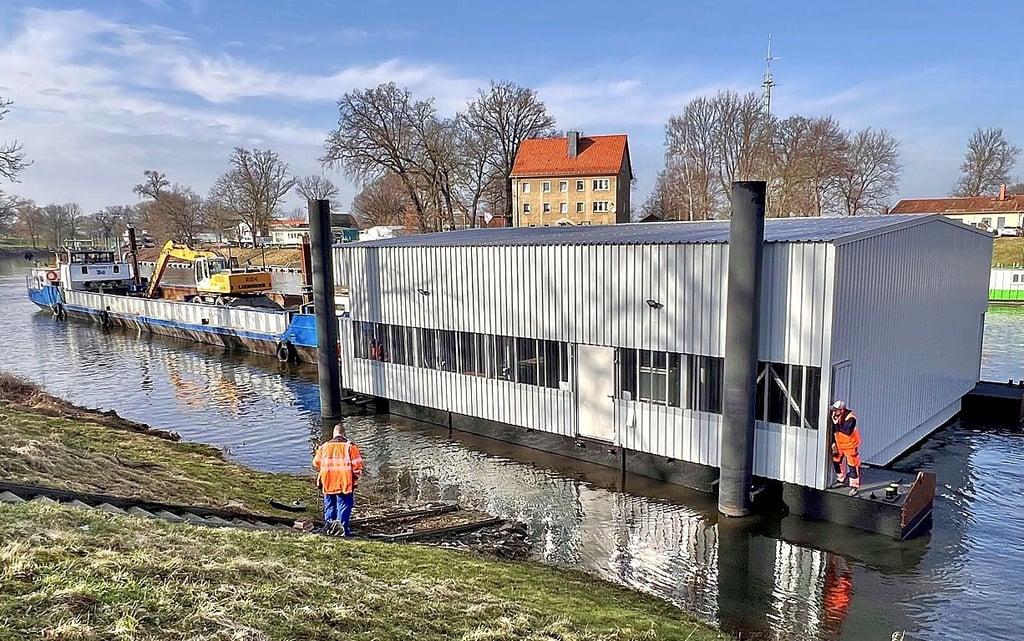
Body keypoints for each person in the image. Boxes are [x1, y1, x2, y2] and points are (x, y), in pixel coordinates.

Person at [312, 425, 364, 536]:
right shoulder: (350, 447)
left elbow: (316, 463)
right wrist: (356, 478)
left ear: (333, 434)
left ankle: (329, 528)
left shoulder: (324, 446)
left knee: (330, 505)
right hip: (344, 481)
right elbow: (357, 466)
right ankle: (342, 530)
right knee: (344, 505)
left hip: (328, 481)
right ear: (344, 434)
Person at [829, 400, 861, 495]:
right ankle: (840, 479)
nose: (834, 412)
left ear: (841, 410)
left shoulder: (851, 418)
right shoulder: (836, 416)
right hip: (839, 444)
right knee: (836, 461)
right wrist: (833, 443)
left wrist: (836, 424)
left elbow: (846, 431)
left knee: (852, 465)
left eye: (836, 410)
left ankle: (854, 486)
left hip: (850, 445)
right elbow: (834, 431)